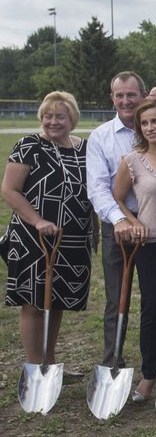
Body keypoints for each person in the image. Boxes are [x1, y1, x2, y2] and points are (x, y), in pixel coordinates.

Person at [2, 92, 92, 368]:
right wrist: (37, 220)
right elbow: (10, 190)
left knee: (57, 300)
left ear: (72, 119)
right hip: (34, 236)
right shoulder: (28, 146)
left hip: (71, 237)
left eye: (60, 116)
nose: (53, 122)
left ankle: (49, 364)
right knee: (34, 302)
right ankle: (35, 365)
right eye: (48, 116)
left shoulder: (84, 148)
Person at [112, 98, 156, 403]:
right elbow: (117, 197)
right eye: (144, 123)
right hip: (150, 244)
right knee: (153, 308)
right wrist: (133, 221)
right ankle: (149, 374)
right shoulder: (132, 161)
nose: (150, 127)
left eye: (155, 121)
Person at [87, 71, 145, 368]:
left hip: (153, 225)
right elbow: (97, 188)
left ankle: (155, 364)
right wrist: (120, 219)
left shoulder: (155, 128)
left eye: (131, 95)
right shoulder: (101, 136)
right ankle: (112, 361)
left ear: (142, 96)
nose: (125, 101)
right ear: (112, 99)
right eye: (119, 96)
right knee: (116, 298)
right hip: (117, 226)